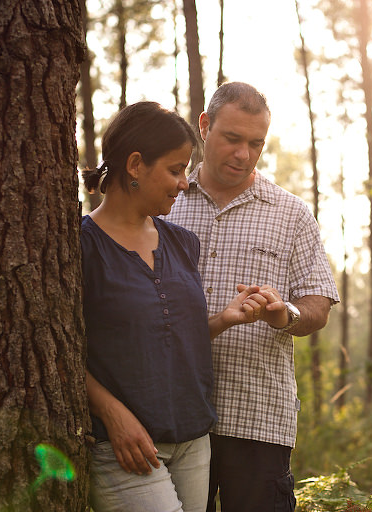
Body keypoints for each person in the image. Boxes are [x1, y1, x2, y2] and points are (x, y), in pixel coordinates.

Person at [81, 101, 270, 512]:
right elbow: (60, 353)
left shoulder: (182, 243)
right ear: (135, 165)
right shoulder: (81, 246)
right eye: (175, 170)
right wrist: (112, 414)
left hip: (193, 440)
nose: (184, 183)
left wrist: (223, 319)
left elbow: (168, 333)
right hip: (126, 447)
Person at [164, 82, 340, 512]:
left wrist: (285, 314)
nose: (243, 154)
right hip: (173, 415)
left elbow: (317, 306)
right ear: (204, 126)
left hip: (257, 418)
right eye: (232, 138)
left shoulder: (291, 213)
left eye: (256, 143)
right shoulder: (166, 201)